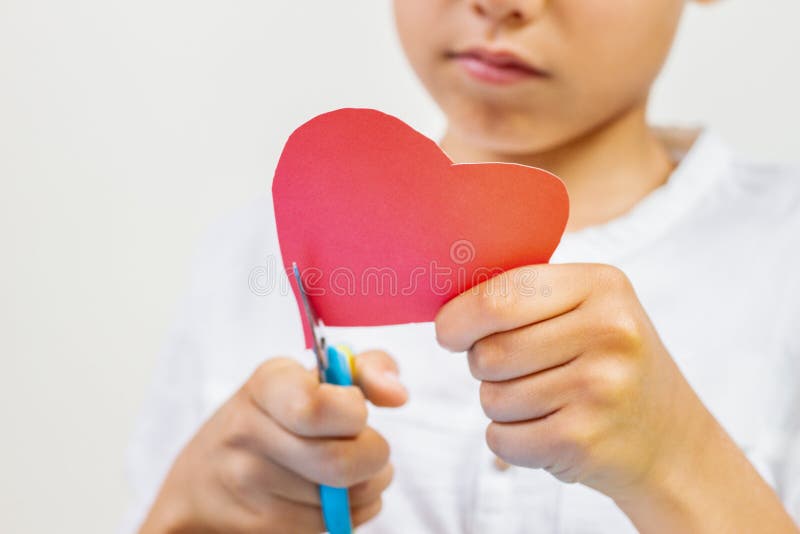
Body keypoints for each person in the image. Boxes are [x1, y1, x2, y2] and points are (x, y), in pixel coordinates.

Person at [123, 1, 800, 532]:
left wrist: (680, 462)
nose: (498, 3)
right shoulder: (252, 254)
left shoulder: (779, 262)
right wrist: (188, 515)